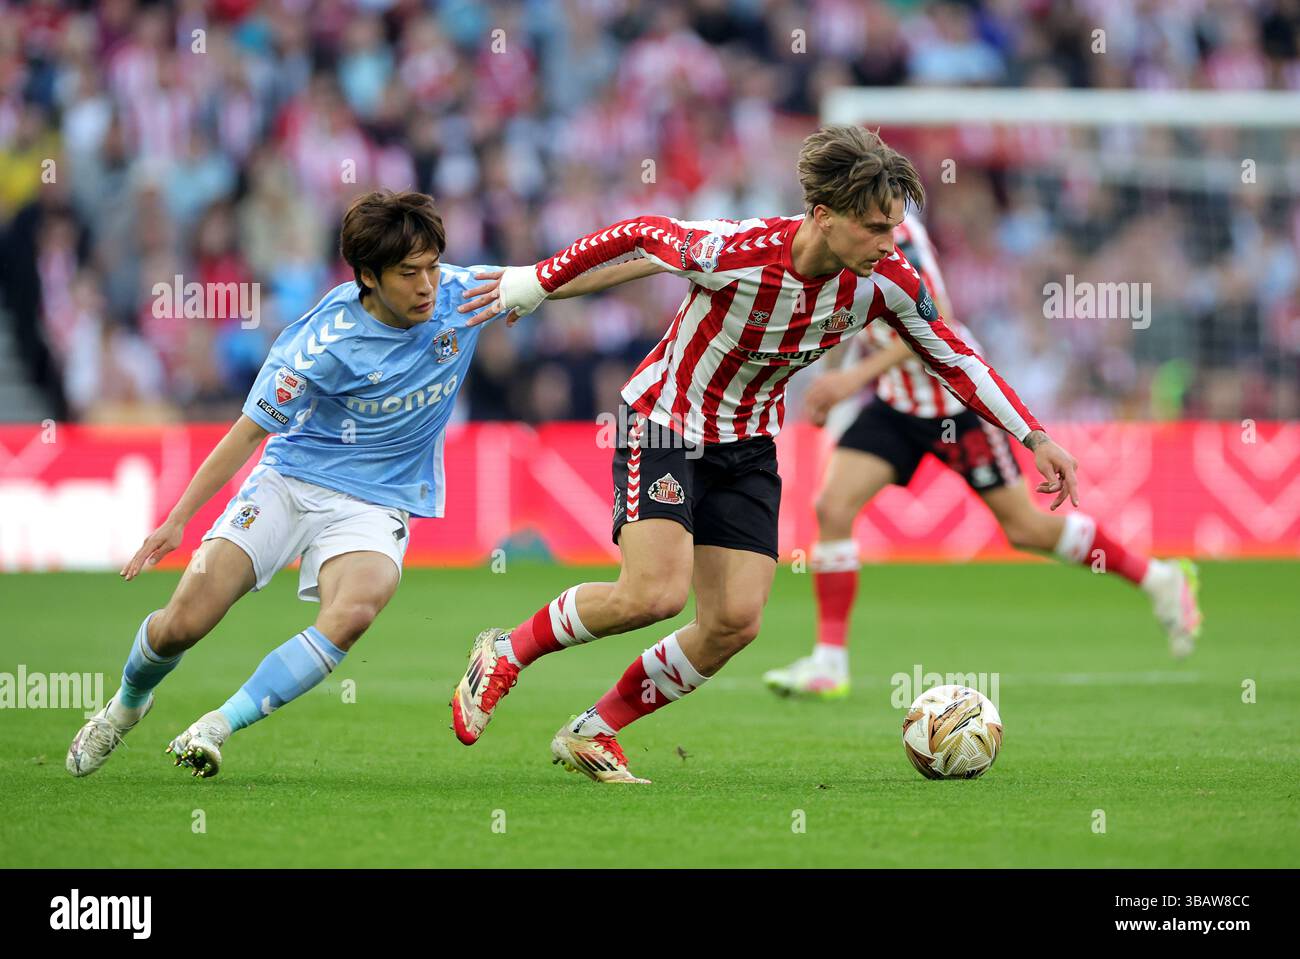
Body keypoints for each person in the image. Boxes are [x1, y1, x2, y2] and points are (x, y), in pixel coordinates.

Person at [449, 125, 1078, 784]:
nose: (888, 243)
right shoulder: (737, 250)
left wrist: (1033, 435)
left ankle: (595, 729)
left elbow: (957, 357)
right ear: (823, 215)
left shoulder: (885, 281)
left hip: (747, 443)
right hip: (666, 423)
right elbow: (639, 233)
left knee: (734, 621)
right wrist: (536, 280)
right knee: (654, 594)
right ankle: (506, 650)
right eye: (873, 227)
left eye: (893, 227)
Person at [66, 190, 506, 779]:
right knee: (183, 624)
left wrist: (663, 250)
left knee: (353, 611)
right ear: (369, 277)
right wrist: (177, 519)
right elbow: (247, 435)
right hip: (292, 481)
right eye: (410, 273)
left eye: (431, 265)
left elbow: (560, 276)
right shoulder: (321, 344)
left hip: (377, 503)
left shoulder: (465, 294)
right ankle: (125, 706)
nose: (428, 284)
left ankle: (216, 725)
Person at [763, 214, 1202, 700]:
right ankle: (829, 663)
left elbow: (938, 324)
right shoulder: (835, 242)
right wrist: (837, 384)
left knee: (1025, 529)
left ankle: (1158, 577)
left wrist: (852, 379)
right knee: (833, 508)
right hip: (896, 405)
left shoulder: (900, 243)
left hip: (955, 404)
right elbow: (840, 322)